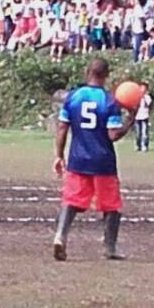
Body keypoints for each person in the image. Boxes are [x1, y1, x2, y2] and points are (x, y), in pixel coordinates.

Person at [52, 58, 131, 262]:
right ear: (106, 75)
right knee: (111, 205)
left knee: (71, 200)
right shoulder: (109, 100)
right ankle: (110, 247)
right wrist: (130, 120)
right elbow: (113, 135)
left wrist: (59, 155)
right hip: (103, 161)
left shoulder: (73, 97)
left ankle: (60, 236)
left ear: (88, 72)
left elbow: (62, 127)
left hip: (78, 158)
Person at [133, 86, 154, 152]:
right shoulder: (136, 97)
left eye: (144, 89)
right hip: (137, 117)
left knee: (144, 132)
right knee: (138, 133)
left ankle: (144, 146)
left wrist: (143, 98)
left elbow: (148, 105)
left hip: (144, 116)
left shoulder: (147, 97)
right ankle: (138, 145)